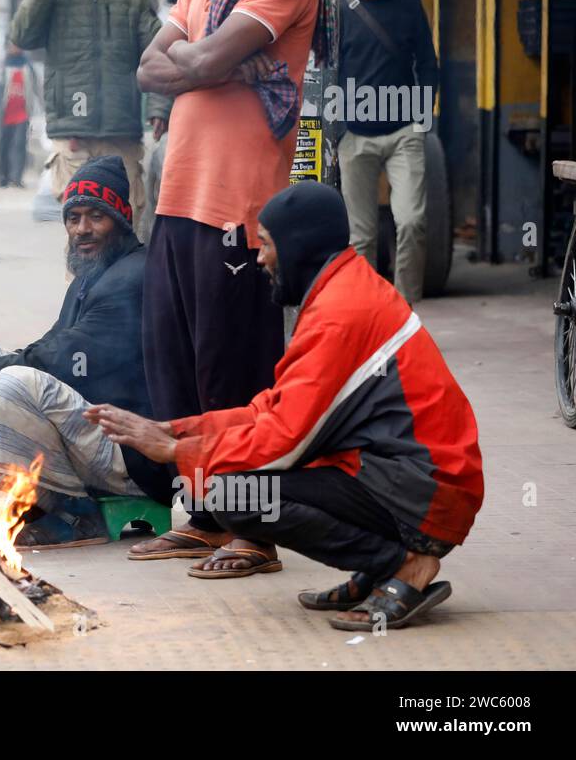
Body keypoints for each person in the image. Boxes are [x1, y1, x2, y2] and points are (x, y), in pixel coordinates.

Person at [89, 180, 483, 629]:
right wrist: (177, 431)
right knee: (233, 477)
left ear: (300, 246)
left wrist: (180, 454)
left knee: (231, 493)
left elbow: (284, 443)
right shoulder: (338, 291)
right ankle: (379, 568)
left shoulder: (341, 312)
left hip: (427, 488)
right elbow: (273, 407)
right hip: (406, 474)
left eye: (268, 245)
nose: (259, 259)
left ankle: (403, 566)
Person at [129, 0, 332, 562]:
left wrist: (206, 61)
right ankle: (207, 514)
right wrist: (208, 66)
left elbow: (202, 54)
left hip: (240, 209)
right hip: (177, 197)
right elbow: (150, 67)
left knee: (236, 373)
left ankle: (256, 530)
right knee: (176, 366)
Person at [0, 157, 166, 548]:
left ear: (121, 220)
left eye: (96, 217)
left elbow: (52, 360)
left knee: (12, 380)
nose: (82, 230)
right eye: (73, 218)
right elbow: (46, 350)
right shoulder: (93, 275)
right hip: (92, 439)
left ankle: (72, 513)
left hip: (134, 460)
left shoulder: (132, 276)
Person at [10, 0, 172, 241]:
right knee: (83, 235)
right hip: (72, 135)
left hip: (121, 133)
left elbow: (160, 51)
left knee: (127, 230)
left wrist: (159, 105)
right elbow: (23, 35)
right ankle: (83, 293)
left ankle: (122, 292)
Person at [337, 0, 440, 305]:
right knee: (359, 238)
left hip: (403, 134)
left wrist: (421, 121)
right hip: (356, 137)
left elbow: (428, 66)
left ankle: (404, 311)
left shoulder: (410, 5)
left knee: (412, 222)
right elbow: (329, 71)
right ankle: (367, 314)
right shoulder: (342, 10)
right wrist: (337, 132)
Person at [0, 46, 30, 188]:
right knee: (3, 146)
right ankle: (3, 176)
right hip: (4, 114)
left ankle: (16, 177)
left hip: (22, 113)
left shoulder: (27, 66)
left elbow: (34, 90)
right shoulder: (2, 65)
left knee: (19, 145)